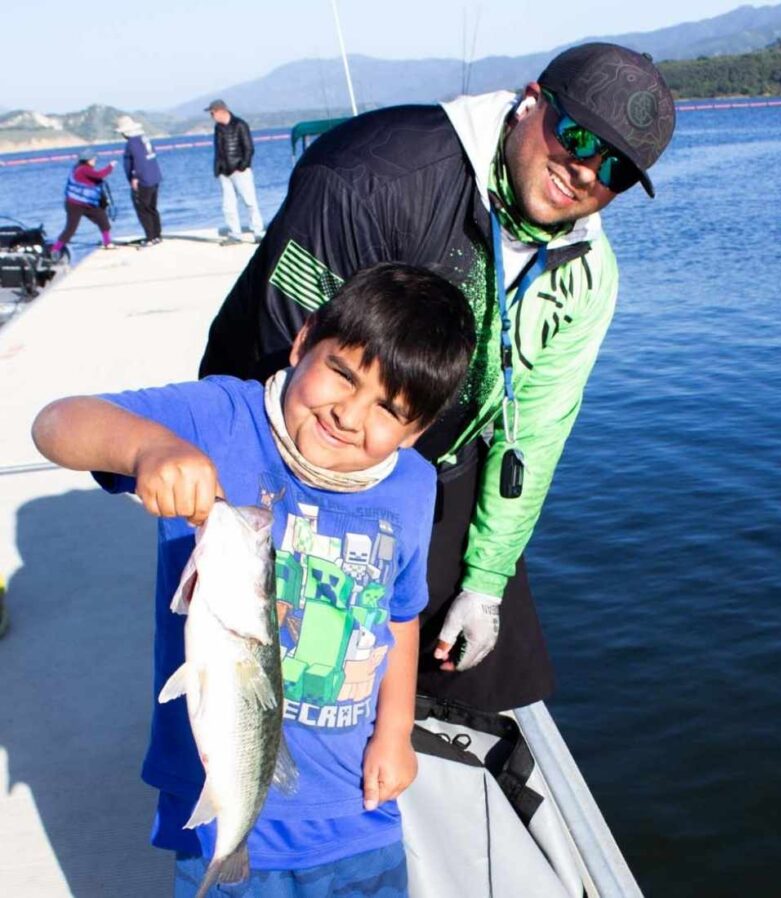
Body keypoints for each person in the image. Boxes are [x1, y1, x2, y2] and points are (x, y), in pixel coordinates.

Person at [199, 42, 677, 712]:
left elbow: (535, 432)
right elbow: (284, 366)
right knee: (296, 672)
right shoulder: (372, 176)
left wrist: (485, 581)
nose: (585, 171)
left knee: (486, 677)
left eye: (616, 168)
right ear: (531, 102)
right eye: (577, 136)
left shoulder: (589, 273)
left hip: (435, 458)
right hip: (299, 437)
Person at [32, 262, 476, 898]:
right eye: (342, 374)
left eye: (387, 409)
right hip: (222, 806)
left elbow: (398, 615)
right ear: (303, 342)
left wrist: (395, 731)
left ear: (419, 430)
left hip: (355, 805)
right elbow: (57, 423)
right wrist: (150, 449)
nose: (348, 414)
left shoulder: (412, 485)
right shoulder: (220, 419)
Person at [206, 99, 264, 244]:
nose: (211, 116)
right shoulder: (218, 128)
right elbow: (218, 149)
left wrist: (242, 166)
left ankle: (258, 232)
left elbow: (249, 148)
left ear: (221, 111)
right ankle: (235, 234)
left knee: (250, 202)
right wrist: (218, 168)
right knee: (228, 206)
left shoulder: (240, 125)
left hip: (240, 171)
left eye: (212, 113)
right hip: (224, 172)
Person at [50, 154, 116, 256]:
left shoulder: (84, 170)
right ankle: (55, 249)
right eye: (93, 159)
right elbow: (100, 175)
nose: (94, 161)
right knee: (70, 229)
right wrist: (110, 166)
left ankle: (107, 242)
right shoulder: (83, 169)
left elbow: (94, 181)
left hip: (87, 204)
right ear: (87, 160)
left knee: (102, 218)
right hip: (74, 205)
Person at [116, 114, 163, 246]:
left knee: (143, 209)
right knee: (152, 208)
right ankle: (157, 235)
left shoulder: (132, 143)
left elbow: (139, 160)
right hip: (154, 176)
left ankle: (150, 237)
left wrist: (135, 177)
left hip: (144, 179)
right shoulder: (144, 138)